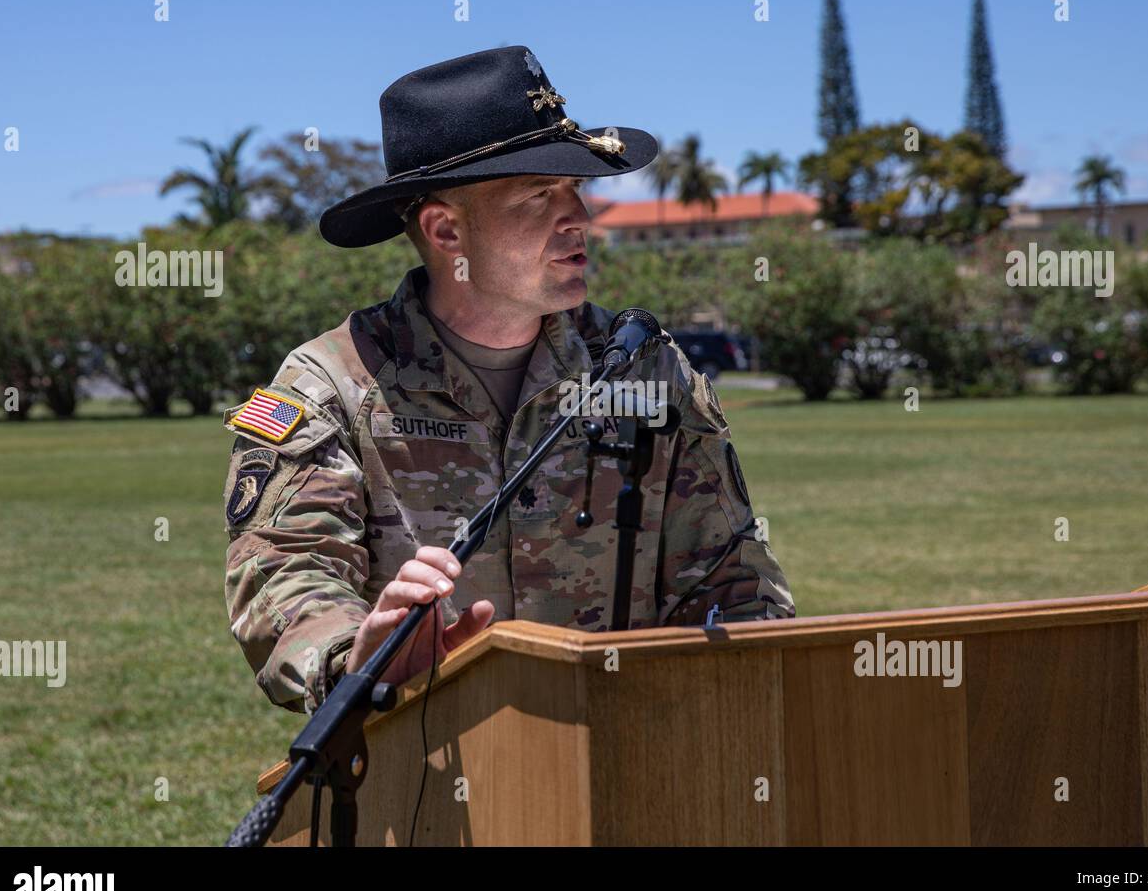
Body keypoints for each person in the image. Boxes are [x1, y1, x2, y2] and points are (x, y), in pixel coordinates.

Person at [222, 45, 795, 714]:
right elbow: (285, 577)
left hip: (626, 770)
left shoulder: (646, 369)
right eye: (538, 196)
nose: (579, 217)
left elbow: (734, 579)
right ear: (446, 231)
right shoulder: (330, 386)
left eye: (577, 189)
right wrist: (357, 655)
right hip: (423, 783)